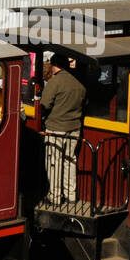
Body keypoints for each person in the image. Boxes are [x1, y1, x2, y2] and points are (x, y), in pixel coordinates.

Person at [40, 53, 86, 204]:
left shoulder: (56, 82)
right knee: (70, 160)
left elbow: (44, 104)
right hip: (74, 128)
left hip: (56, 128)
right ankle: (71, 195)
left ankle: (55, 196)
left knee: (54, 162)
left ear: (55, 66)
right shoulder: (79, 82)